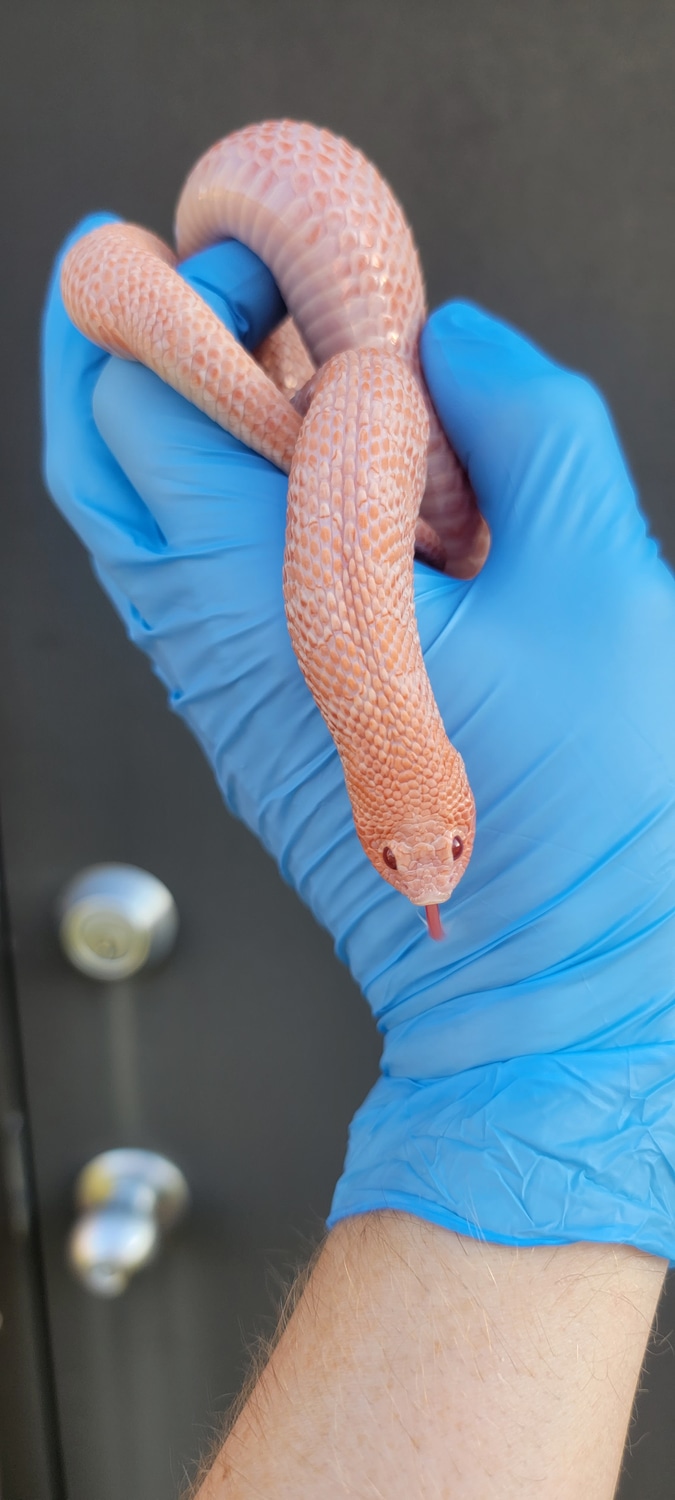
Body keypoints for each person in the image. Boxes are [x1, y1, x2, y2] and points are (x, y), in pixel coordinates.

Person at [42, 221, 675, 1498]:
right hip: (347, 443)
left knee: (313, 372)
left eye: (432, 851)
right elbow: (374, 415)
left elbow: (373, 422)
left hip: (352, 465)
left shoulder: (401, 732)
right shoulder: (381, 726)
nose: (433, 883)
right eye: (406, 855)